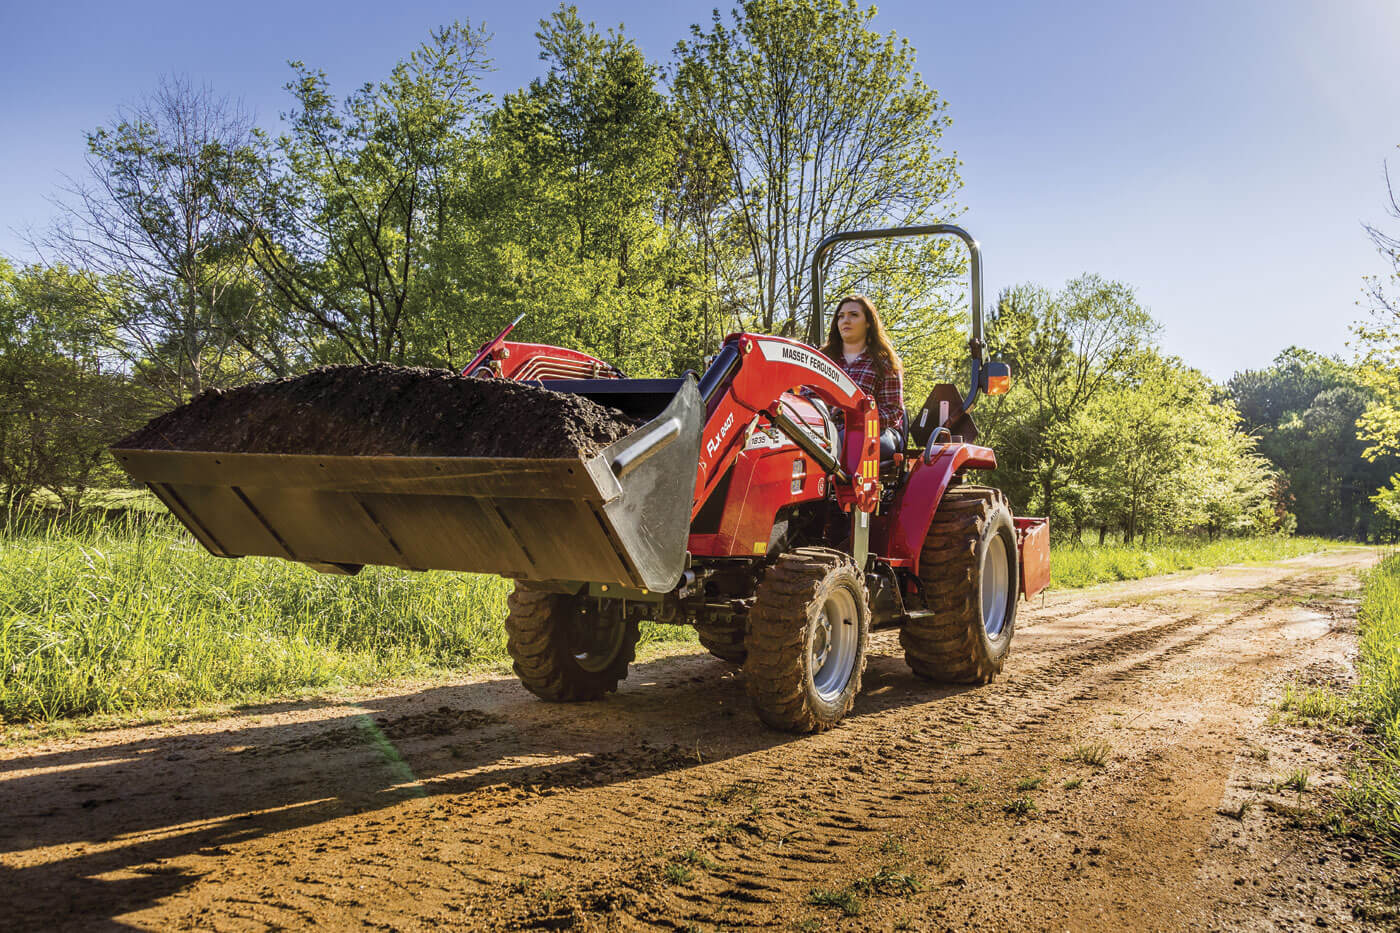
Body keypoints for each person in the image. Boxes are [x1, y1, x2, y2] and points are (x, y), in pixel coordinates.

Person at [820, 294, 906, 460]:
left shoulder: (885, 362)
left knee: (846, 440)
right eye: (841, 316)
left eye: (853, 315)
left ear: (868, 322)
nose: (845, 320)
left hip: (875, 431)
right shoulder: (823, 360)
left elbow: (893, 412)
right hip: (824, 430)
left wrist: (856, 417)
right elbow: (808, 398)